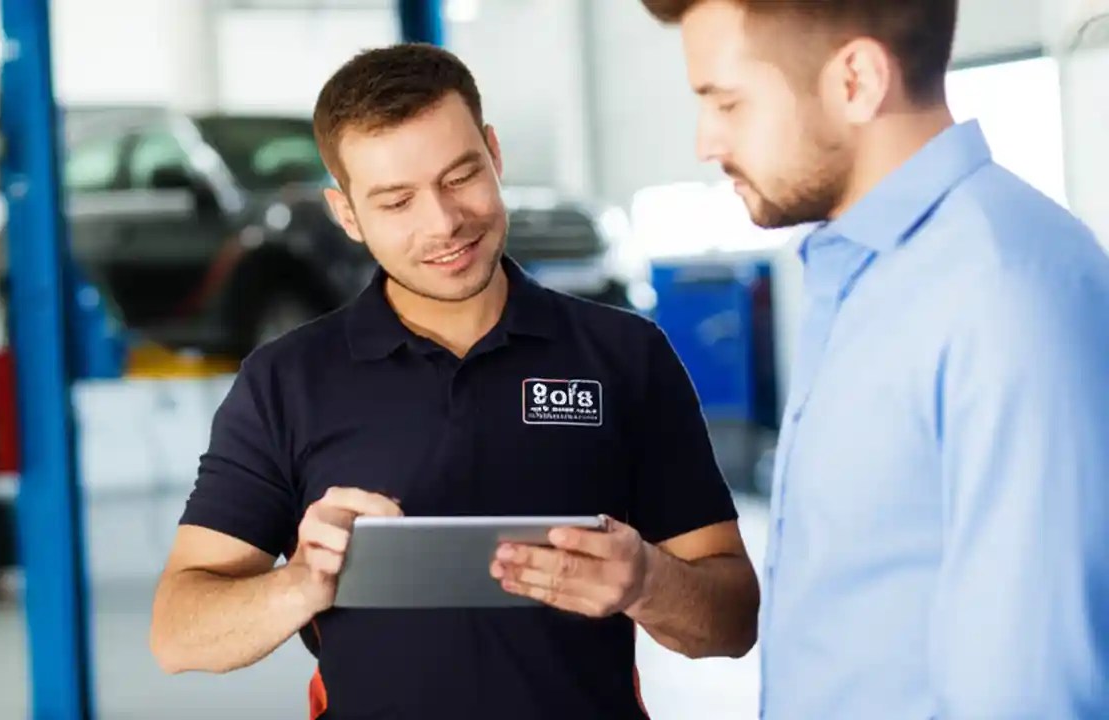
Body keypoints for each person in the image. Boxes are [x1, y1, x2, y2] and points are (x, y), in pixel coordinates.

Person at [149, 43, 759, 719]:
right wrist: (301, 583)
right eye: (396, 200)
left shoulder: (624, 355)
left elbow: (733, 621)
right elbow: (178, 633)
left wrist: (647, 581)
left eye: (460, 176)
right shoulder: (286, 382)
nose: (443, 223)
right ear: (347, 214)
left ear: (494, 154)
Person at [641, 0, 1109, 717]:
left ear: (855, 79)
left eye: (729, 103)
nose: (706, 140)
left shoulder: (1005, 288)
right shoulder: (861, 274)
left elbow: (1031, 687)